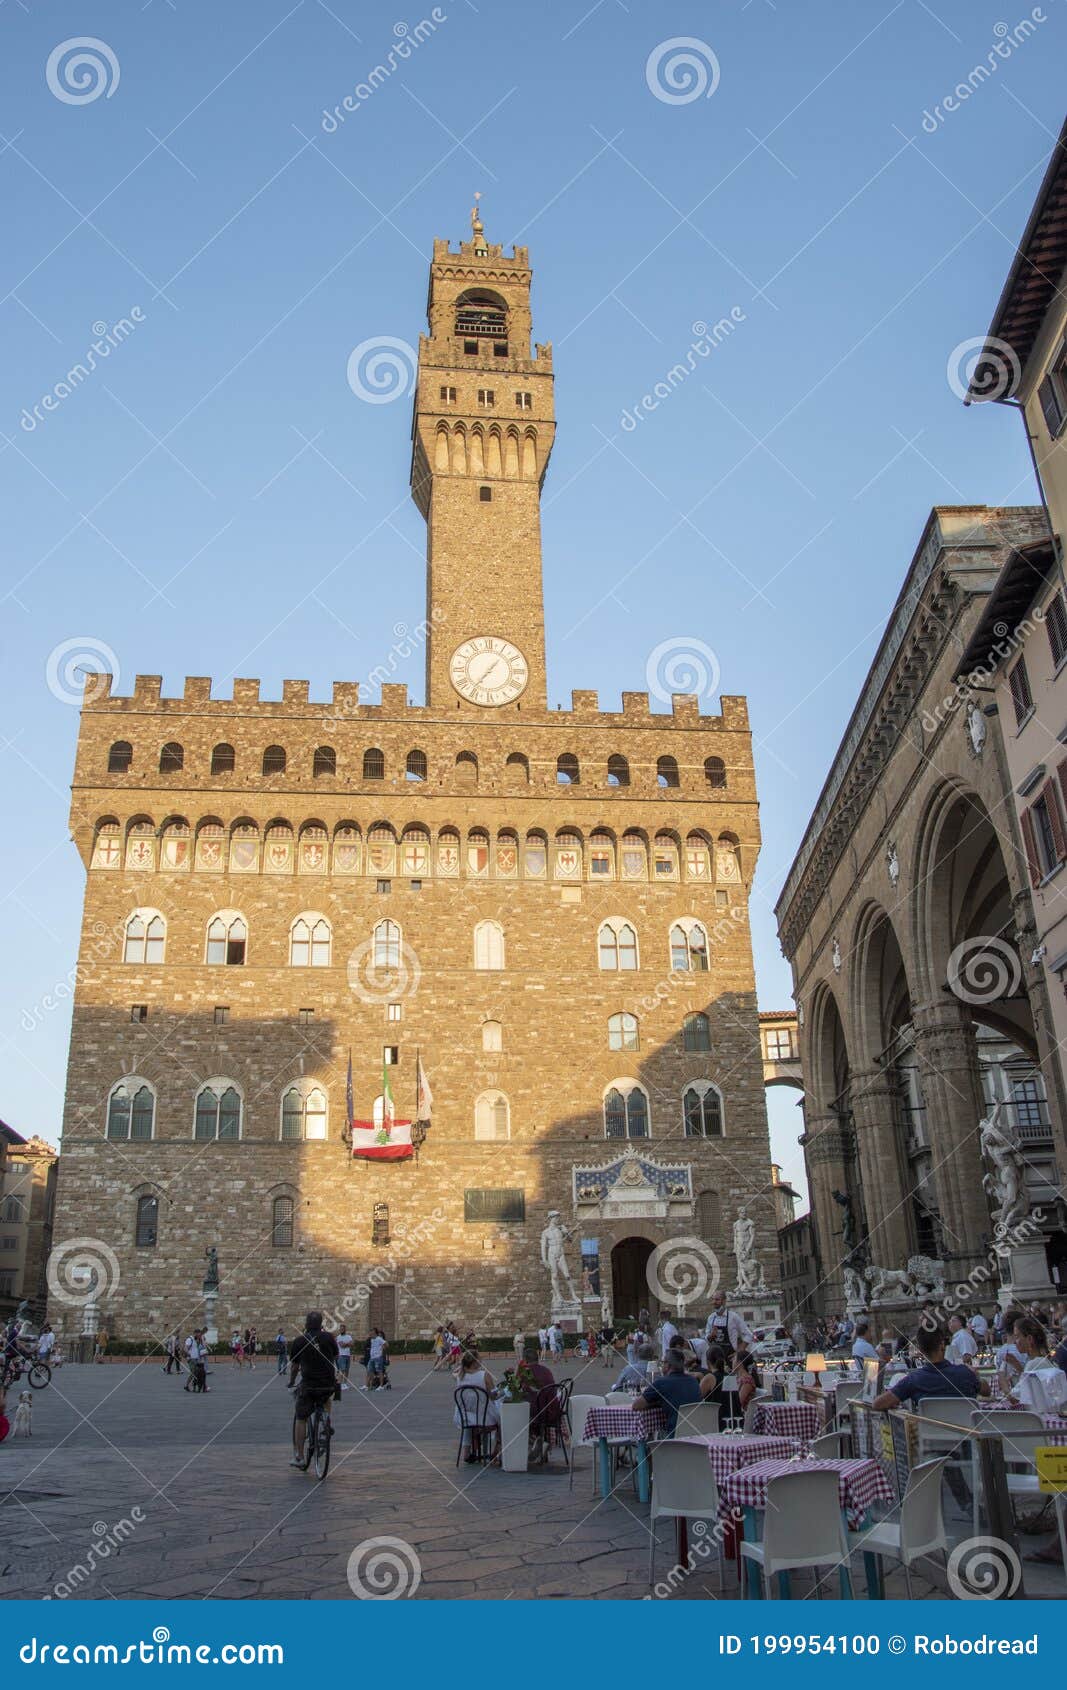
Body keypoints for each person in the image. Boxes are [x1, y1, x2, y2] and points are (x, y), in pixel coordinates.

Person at [871, 1324, 990, 1412]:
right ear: (942, 1345)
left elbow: (877, 1404)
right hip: (968, 1438)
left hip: (930, 1439)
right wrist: (976, 1376)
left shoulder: (913, 1380)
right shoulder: (965, 1373)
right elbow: (986, 1391)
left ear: (920, 1351)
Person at [288, 1311, 339, 1468]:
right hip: (329, 1382)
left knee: (301, 1417)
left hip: (309, 1384)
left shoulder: (299, 1341)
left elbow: (295, 1366)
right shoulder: (329, 1338)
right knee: (327, 1396)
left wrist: (291, 1382)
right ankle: (326, 1421)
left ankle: (300, 1457)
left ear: (306, 1324)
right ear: (321, 1324)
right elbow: (336, 1357)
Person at [633, 1349, 701, 1435]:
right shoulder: (693, 1381)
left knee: (651, 1436)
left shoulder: (662, 1383)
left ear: (668, 1365)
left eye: (662, 1362)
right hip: (696, 1435)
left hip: (674, 1437)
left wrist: (656, 1402)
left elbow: (636, 1406)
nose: (661, 1365)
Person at [1008, 1317, 1067, 1413]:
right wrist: (1016, 1365)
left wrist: (1001, 1377)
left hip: (1038, 1422)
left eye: (1017, 1337)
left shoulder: (1034, 1364)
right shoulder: (1046, 1361)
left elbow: (1013, 1398)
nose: (1015, 1341)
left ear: (1030, 1339)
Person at [453, 1350, 500, 1463]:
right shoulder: (484, 1375)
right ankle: (490, 1451)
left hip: (464, 1416)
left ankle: (466, 1453)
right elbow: (493, 1396)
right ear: (475, 1362)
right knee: (499, 1419)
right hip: (483, 1417)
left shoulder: (460, 1376)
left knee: (470, 1421)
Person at [704, 1290, 752, 1356]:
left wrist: (738, 1352)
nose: (714, 1302)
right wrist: (711, 1335)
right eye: (713, 1299)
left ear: (724, 1301)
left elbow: (748, 1335)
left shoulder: (733, 1317)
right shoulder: (711, 1318)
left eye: (717, 1300)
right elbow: (706, 1339)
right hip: (716, 1358)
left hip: (731, 1357)